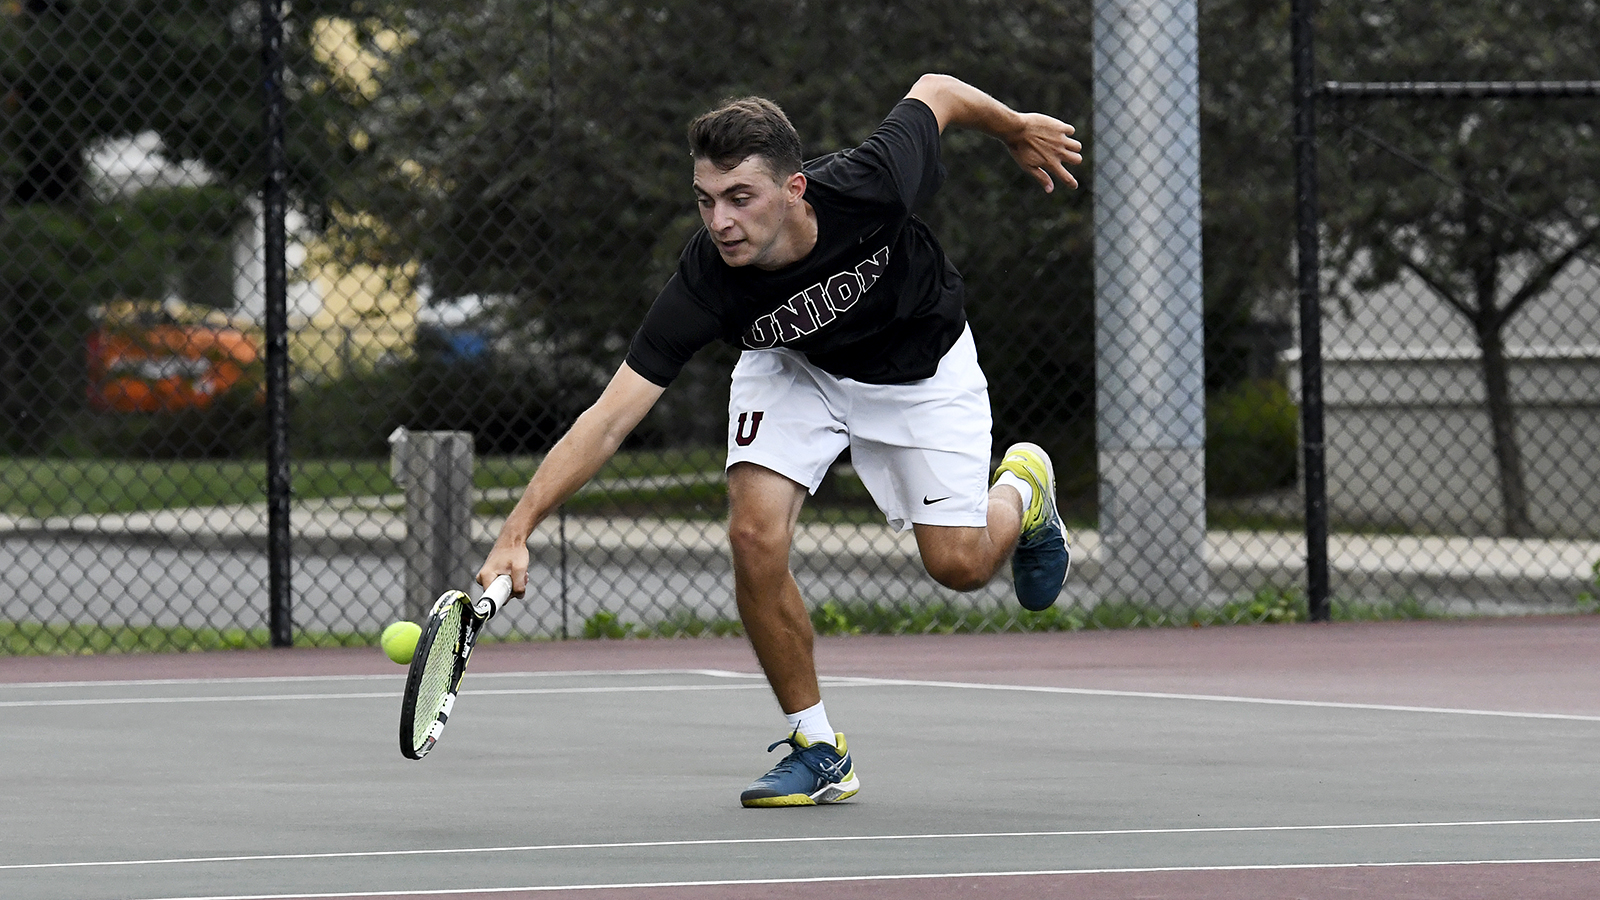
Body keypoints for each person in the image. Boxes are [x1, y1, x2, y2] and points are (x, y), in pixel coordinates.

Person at [477, 73, 1082, 808]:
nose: (720, 221)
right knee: (753, 536)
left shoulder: (872, 182)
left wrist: (1013, 126)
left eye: (740, 198)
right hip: (795, 368)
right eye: (706, 200)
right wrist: (517, 528)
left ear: (794, 189)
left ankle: (1023, 489)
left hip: (920, 368)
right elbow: (608, 418)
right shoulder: (705, 283)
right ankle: (817, 747)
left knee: (959, 566)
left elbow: (937, 92)